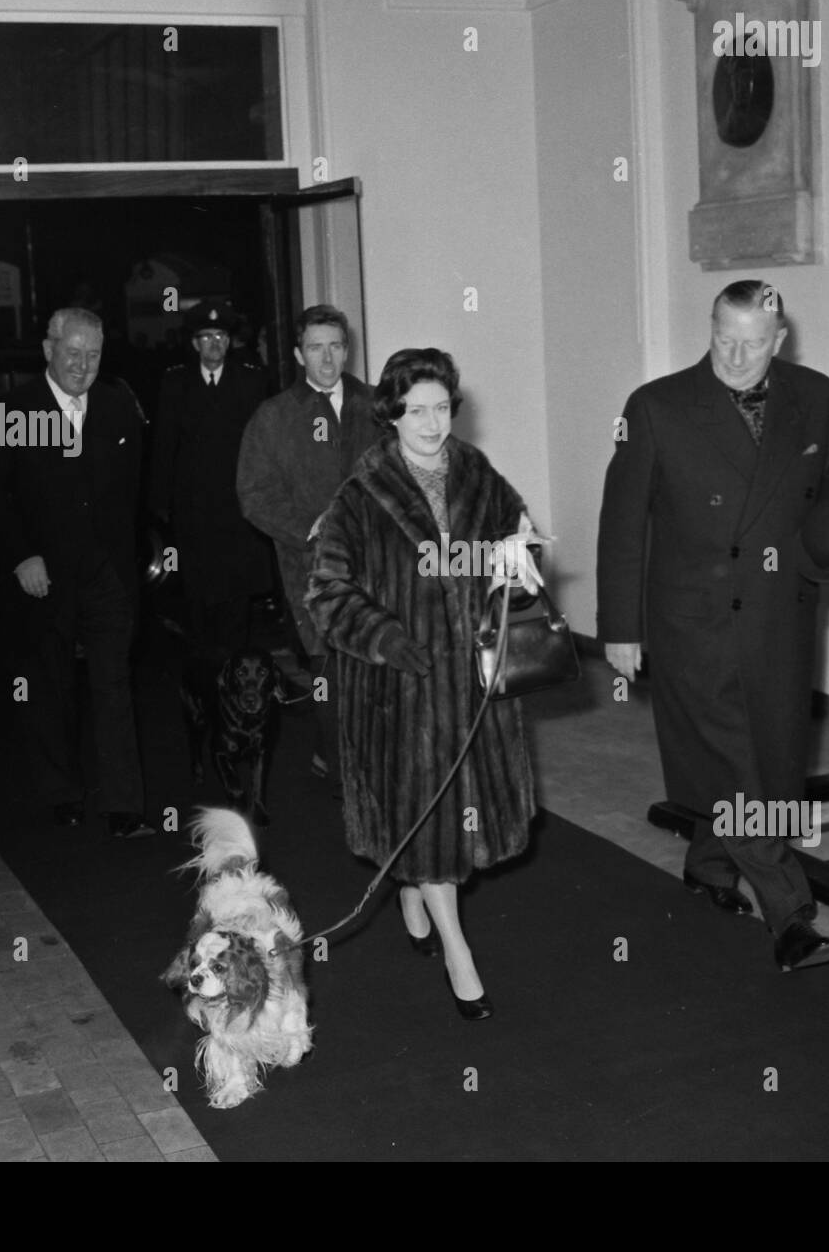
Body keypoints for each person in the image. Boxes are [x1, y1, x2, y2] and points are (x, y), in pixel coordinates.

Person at [596, 280, 829, 970]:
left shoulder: (817, 397)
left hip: (781, 616)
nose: (735, 355)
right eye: (723, 337)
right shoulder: (656, 407)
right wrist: (619, 627)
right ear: (709, 327)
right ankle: (790, 914)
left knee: (769, 757)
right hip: (695, 620)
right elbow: (622, 523)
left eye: (752, 342)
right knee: (742, 763)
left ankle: (711, 862)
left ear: (780, 340)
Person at [305, 348, 540, 1020]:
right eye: (417, 410)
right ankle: (459, 951)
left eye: (442, 407)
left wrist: (517, 561)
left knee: (449, 820)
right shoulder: (360, 493)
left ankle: (414, 886)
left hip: (470, 682)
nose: (432, 423)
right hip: (398, 687)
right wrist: (384, 637)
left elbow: (513, 545)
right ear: (391, 413)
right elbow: (326, 592)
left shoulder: (478, 475)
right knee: (428, 815)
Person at [0, 307, 152, 839]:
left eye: (93, 354)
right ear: (48, 349)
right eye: (72, 353)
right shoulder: (12, 410)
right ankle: (62, 794)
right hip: (43, 573)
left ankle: (124, 806)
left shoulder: (119, 402)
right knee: (49, 687)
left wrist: (131, 565)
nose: (82, 365)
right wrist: (22, 555)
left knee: (113, 685)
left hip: (108, 573)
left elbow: (133, 490)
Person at [236, 304, 381, 785]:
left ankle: (347, 757)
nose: (327, 358)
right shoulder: (274, 417)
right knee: (330, 669)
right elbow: (254, 494)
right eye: (316, 348)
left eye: (336, 346)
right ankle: (345, 777)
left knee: (374, 668)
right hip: (311, 565)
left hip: (376, 562)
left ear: (348, 349)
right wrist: (309, 528)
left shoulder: (378, 406)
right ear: (299, 353)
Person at [150, 299, 275, 654]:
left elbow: (263, 445)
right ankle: (206, 681)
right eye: (206, 338)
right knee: (199, 602)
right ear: (194, 344)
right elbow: (164, 445)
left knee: (236, 601)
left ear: (229, 340)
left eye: (220, 336)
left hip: (237, 508)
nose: (214, 344)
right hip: (195, 511)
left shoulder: (251, 380)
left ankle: (234, 679)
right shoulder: (176, 383)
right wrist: (161, 505)